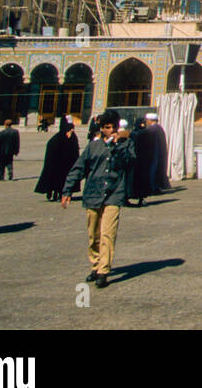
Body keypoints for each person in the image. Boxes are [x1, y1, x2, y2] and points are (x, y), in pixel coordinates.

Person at [60, 110, 134, 287]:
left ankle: (103, 270)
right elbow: (79, 168)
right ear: (101, 129)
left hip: (114, 194)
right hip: (93, 193)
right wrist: (67, 190)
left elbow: (130, 162)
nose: (111, 131)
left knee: (108, 233)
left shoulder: (125, 144)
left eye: (114, 127)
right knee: (94, 234)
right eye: (107, 128)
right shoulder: (93, 147)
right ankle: (95, 264)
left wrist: (118, 146)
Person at [35, 118, 81, 201]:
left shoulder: (72, 138)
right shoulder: (56, 140)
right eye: (70, 129)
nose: (72, 131)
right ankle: (52, 193)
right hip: (56, 166)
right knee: (55, 179)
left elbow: (75, 152)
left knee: (62, 180)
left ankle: (60, 194)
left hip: (65, 166)